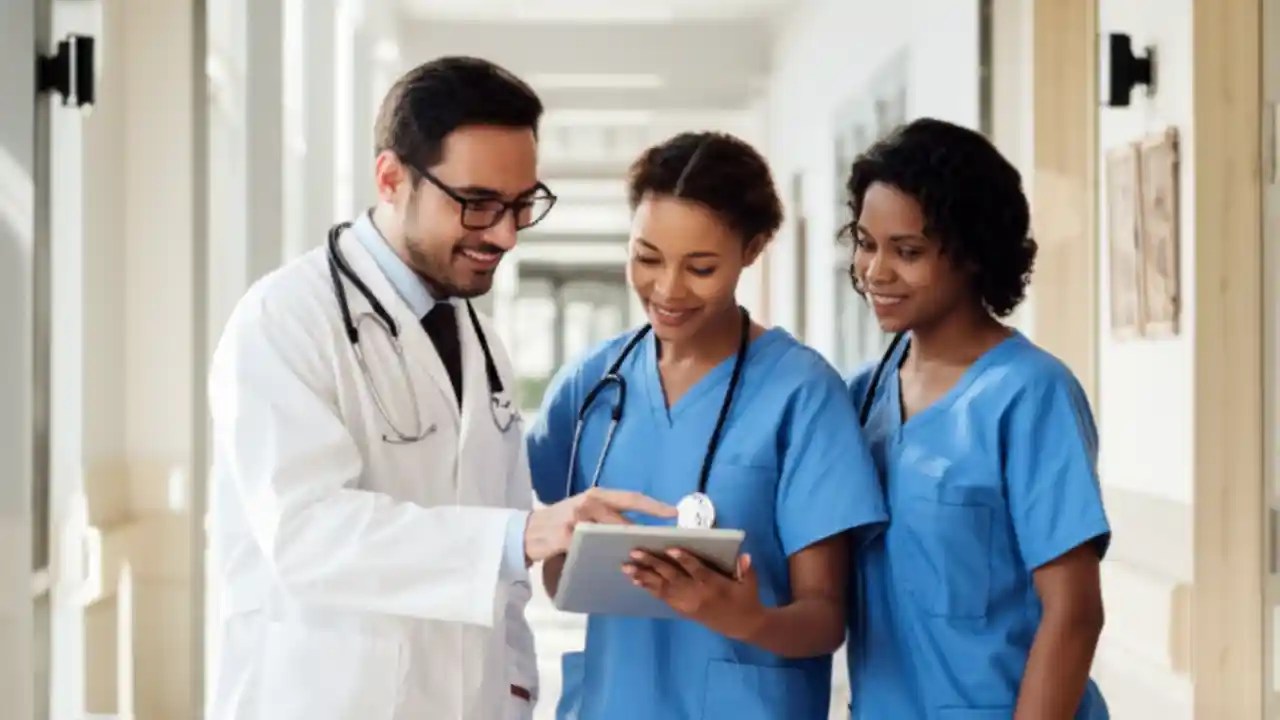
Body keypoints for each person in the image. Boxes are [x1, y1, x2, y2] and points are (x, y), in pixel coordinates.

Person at [205, 56, 674, 720]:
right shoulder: (284, 320)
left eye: (520, 205)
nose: (506, 234)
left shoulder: (479, 342)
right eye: (478, 204)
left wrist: (514, 688)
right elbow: (305, 532)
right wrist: (523, 535)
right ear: (392, 178)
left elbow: (499, 558)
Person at [527, 131, 888, 719]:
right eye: (646, 258)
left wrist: (742, 617)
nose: (667, 290)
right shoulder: (593, 383)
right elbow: (554, 571)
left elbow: (825, 619)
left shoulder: (801, 393)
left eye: (700, 267)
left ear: (754, 248)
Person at [842, 117, 1111, 719]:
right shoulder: (861, 397)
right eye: (865, 243)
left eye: (907, 252)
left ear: (971, 253)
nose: (876, 272)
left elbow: (1074, 613)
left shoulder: (1030, 394)